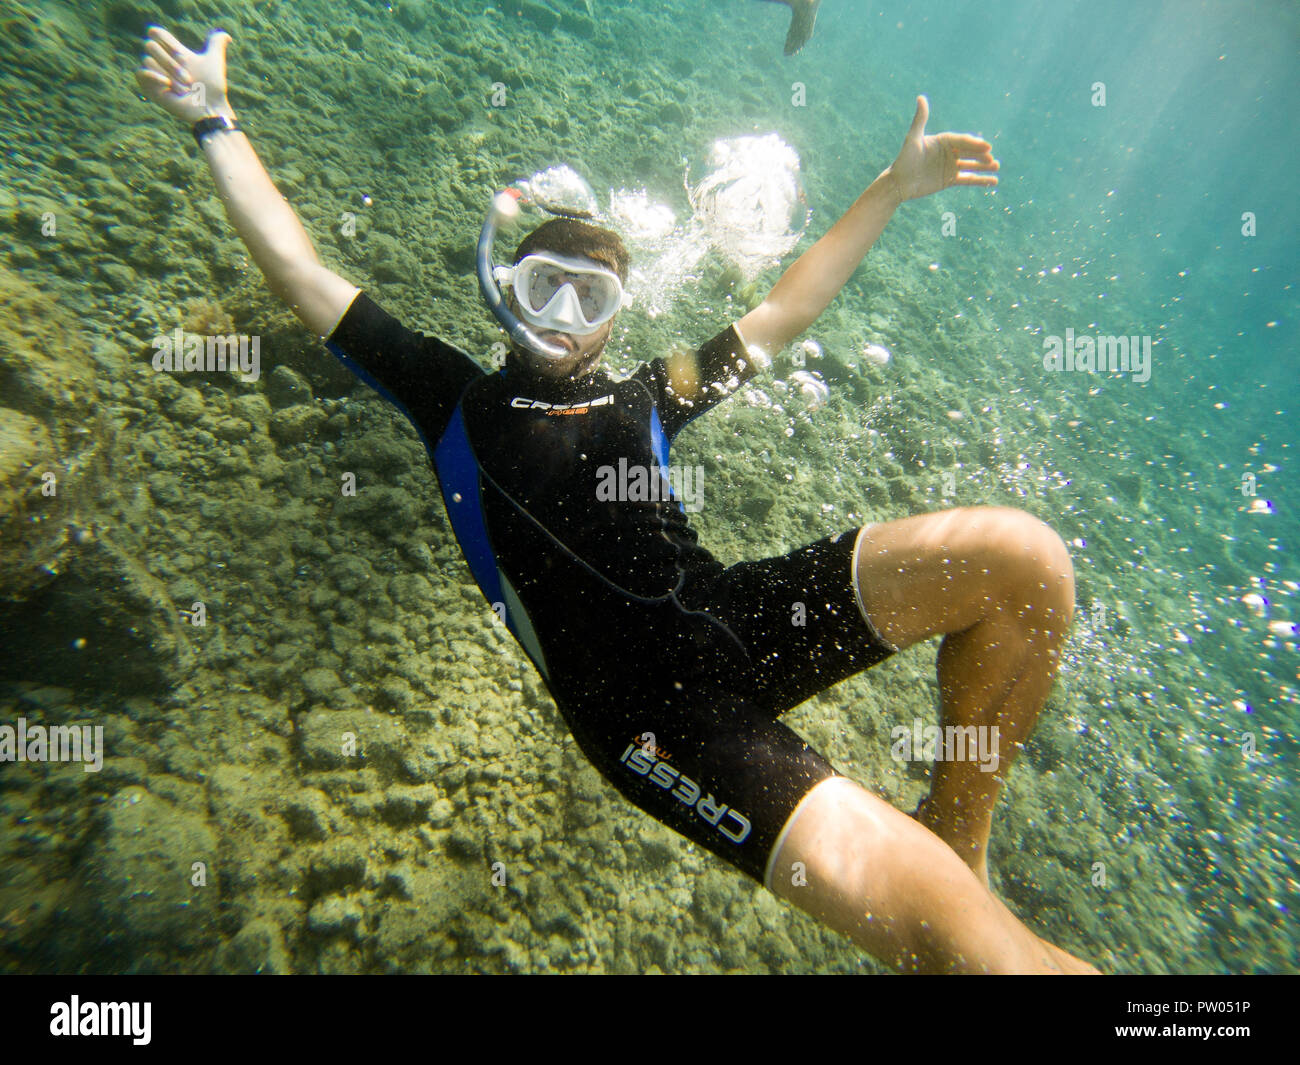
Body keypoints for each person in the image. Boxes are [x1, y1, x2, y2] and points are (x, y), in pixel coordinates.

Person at [136, 25, 1097, 974]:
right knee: (986, 958)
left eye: (589, 297)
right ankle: (966, 908)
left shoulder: (652, 391)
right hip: (656, 722)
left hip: (736, 620)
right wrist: (214, 121)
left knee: (1026, 563)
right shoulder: (451, 398)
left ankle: (959, 841)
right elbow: (302, 272)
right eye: (544, 285)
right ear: (503, 286)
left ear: (615, 318)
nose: (562, 314)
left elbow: (785, 309)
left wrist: (888, 192)